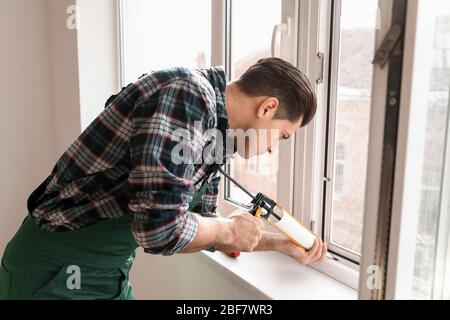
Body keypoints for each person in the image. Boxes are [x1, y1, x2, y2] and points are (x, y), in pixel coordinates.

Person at [0, 57, 327, 300]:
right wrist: (227, 228)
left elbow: (199, 228)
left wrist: (279, 244)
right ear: (268, 108)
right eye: (282, 137)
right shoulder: (186, 95)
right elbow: (159, 231)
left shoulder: (219, 136)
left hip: (108, 274)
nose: (272, 150)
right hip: (54, 272)